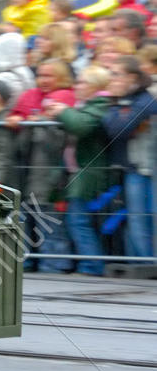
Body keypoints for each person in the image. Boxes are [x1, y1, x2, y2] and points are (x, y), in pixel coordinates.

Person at [58, 67, 116, 275]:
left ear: (96, 86)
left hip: (89, 172)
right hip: (80, 171)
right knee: (78, 220)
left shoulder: (100, 103)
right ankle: (89, 264)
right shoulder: (87, 105)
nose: (77, 86)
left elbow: (82, 126)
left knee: (79, 220)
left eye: (82, 82)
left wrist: (62, 111)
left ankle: (92, 266)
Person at [100, 56, 157, 260]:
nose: (112, 80)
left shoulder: (145, 99)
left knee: (147, 219)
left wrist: (116, 106)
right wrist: (117, 104)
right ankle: (147, 266)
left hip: (148, 168)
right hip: (134, 168)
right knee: (137, 220)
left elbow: (118, 128)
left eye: (116, 74)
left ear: (132, 76)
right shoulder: (124, 100)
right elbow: (112, 126)